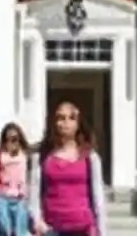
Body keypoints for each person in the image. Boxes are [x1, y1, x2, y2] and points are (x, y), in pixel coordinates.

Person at [28, 101, 107, 236]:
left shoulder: (90, 157)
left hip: (84, 228)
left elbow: (98, 196)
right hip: (52, 229)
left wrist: (101, 230)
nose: (65, 123)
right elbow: (34, 194)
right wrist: (38, 223)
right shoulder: (42, 157)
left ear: (78, 124)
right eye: (61, 118)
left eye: (71, 118)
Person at [0, 122, 31, 236]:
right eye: (7, 139)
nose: (11, 142)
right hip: (3, 196)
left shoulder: (25, 152)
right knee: (4, 227)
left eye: (14, 139)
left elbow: (32, 173)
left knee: (20, 231)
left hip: (20, 197)